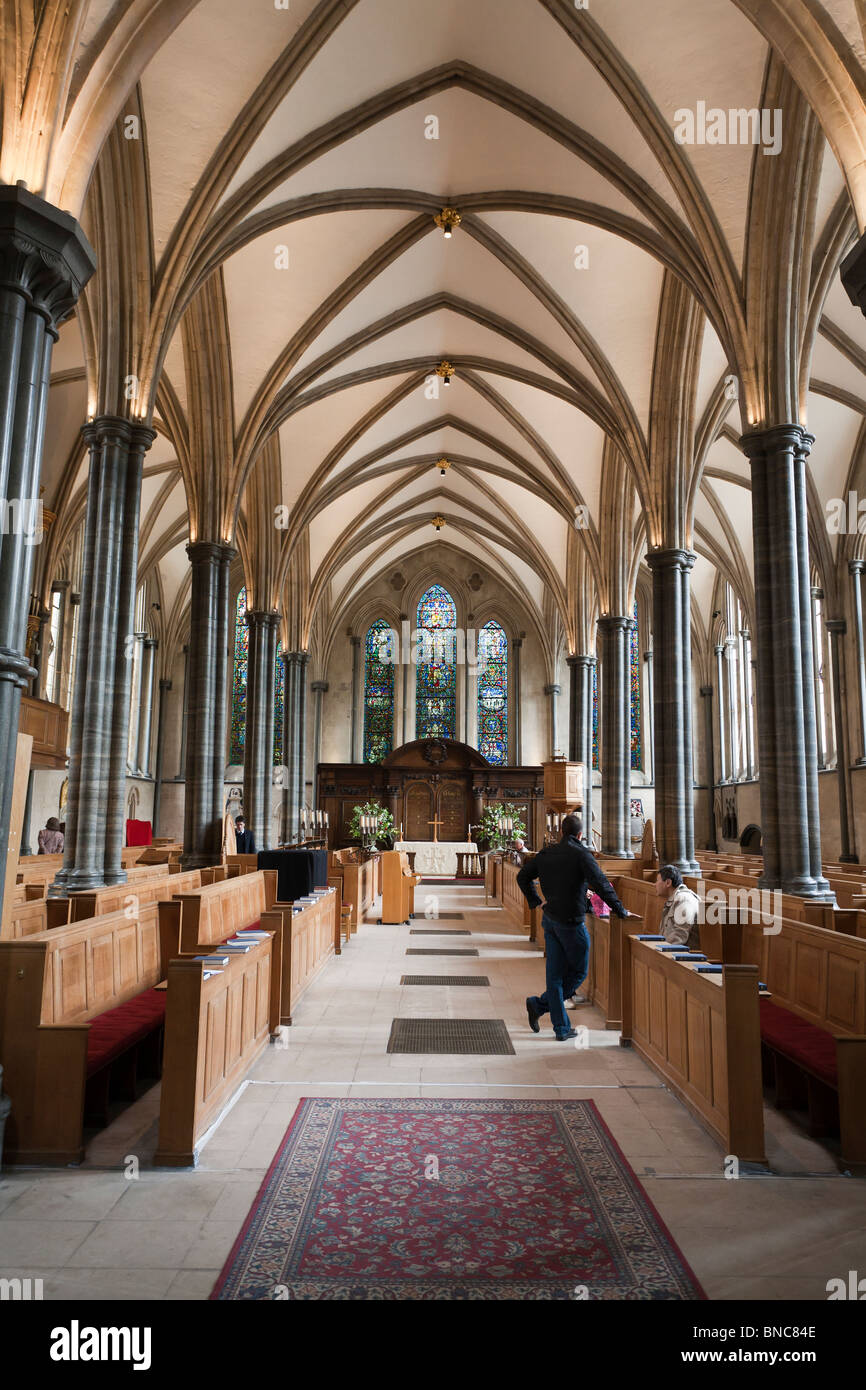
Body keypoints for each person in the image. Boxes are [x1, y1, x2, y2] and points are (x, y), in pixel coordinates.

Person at [517, 813, 631, 1040]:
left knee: (555, 976)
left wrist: (536, 902)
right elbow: (601, 883)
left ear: (561, 832)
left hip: (550, 920)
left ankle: (554, 1021)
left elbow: (522, 877)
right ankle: (540, 1007)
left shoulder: (547, 853)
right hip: (571, 923)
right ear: (580, 834)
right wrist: (620, 910)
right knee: (578, 972)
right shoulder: (581, 854)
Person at [655, 864, 701, 951]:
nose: (655, 884)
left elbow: (680, 935)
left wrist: (661, 951)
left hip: (685, 956)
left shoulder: (684, 900)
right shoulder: (676, 898)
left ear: (668, 883)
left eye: (657, 881)